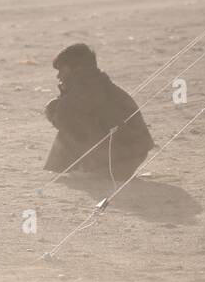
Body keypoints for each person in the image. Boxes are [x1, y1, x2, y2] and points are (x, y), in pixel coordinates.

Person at [43, 43, 154, 181]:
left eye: (62, 70)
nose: (58, 76)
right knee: (66, 112)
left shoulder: (86, 87)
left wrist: (54, 107)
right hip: (129, 155)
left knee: (59, 111)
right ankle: (89, 168)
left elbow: (64, 116)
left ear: (76, 69)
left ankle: (94, 170)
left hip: (119, 158)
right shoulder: (96, 83)